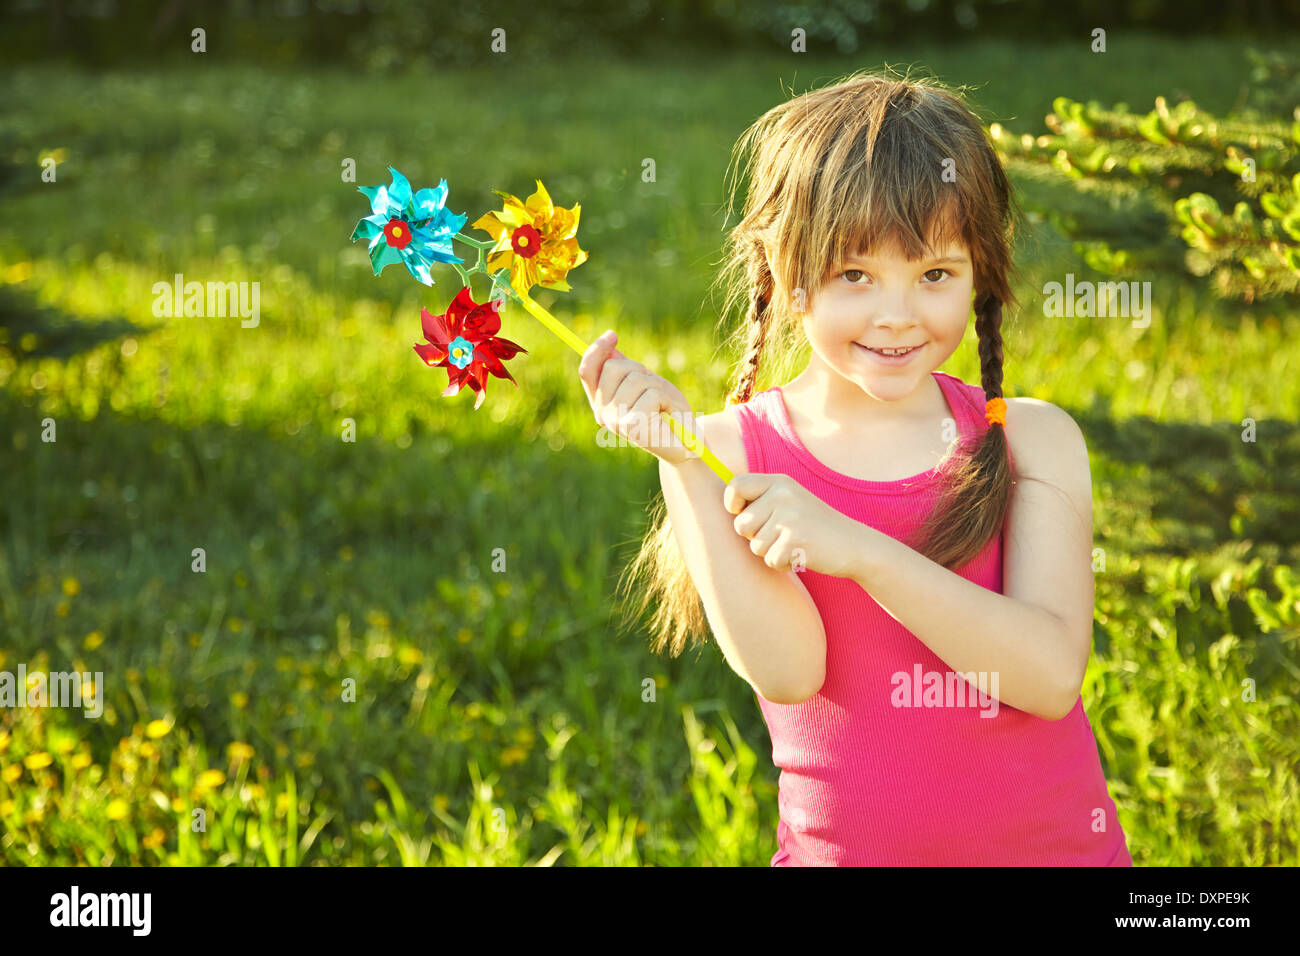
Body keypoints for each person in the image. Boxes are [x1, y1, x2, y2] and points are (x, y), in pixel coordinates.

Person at [577, 69, 1132, 866]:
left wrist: (862, 552)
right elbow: (790, 671)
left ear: (981, 270)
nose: (899, 314)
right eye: (855, 276)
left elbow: (1046, 676)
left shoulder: (1032, 441)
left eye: (935, 274)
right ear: (783, 269)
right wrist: (681, 462)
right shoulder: (728, 454)